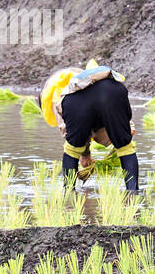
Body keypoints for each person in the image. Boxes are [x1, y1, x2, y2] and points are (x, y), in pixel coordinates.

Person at [41, 64, 138, 192]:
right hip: (113, 91)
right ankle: (133, 193)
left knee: (72, 150)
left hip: (76, 102)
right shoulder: (91, 76)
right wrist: (124, 131)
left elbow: (70, 132)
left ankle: (69, 194)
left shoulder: (57, 99)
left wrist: (84, 153)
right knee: (125, 147)